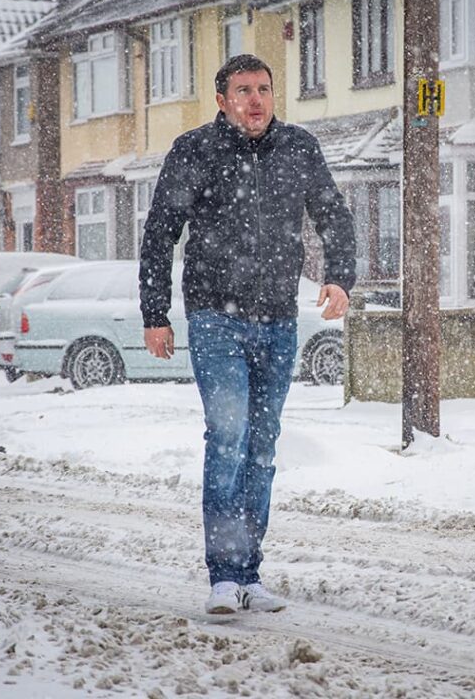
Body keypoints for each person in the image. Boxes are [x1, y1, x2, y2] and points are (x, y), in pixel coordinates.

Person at [139, 54, 356, 615]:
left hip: (278, 321)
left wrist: (340, 278)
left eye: (262, 89)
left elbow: (333, 214)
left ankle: (250, 575)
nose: (255, 100)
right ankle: (222, 576)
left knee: (261, 449)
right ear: (222, 100)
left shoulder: (298, 148)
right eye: (242, 91)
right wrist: (155, 313)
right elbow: (160, 232)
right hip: (215, 317)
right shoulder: (194, 151)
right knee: (229, 435)